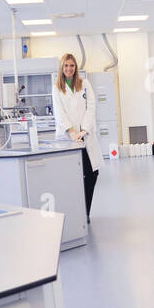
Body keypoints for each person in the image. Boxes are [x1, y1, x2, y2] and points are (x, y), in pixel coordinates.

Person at [52, 53, 101, 219]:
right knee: (71, 177)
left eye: (72, 65)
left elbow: (91, 107)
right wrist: (72, 133)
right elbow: (60, 114)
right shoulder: (57, 88)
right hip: (68, 139)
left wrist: (84, 130)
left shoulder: (84, 84)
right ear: (61, 68)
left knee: (92, 173)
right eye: (66, 66)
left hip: (85, 137)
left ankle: (85, 211)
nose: (69, 69)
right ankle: (74, 213)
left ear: (76, 68)